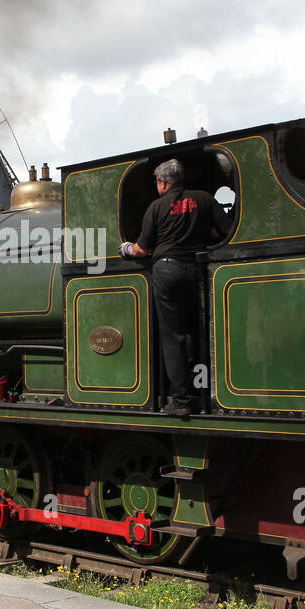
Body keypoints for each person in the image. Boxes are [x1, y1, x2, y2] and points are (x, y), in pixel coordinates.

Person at [119, 158, 232, 416]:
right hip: (198, 271)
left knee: (174, 336)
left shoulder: (156, 207)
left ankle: (181, 402)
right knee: (197, 332)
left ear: (162, 183)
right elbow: (225, 231)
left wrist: (125, 248)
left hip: (167, 270)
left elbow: (142, 249)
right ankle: (203, 392)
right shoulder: (203, 198)